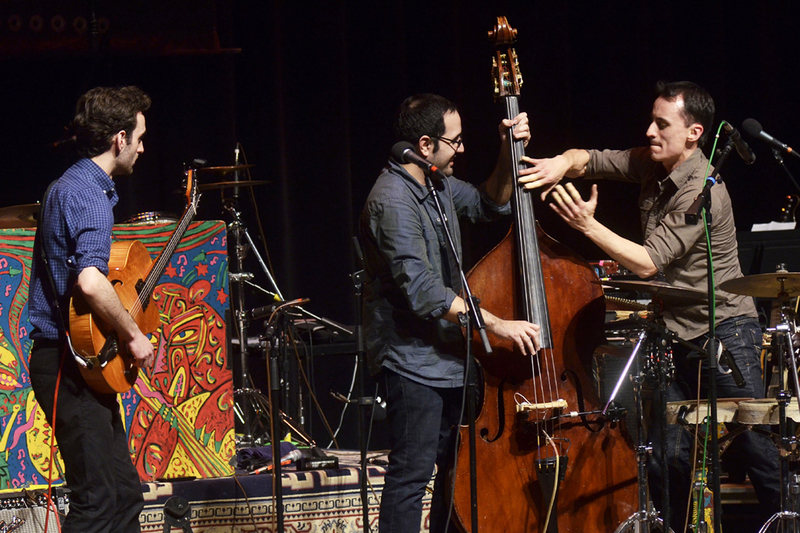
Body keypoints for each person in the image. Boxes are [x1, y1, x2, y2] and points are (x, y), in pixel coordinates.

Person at [519, 81, 780, 531]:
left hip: (725, 331)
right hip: (678, 332)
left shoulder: (702, 189)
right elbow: (593, 158)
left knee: (753, 447)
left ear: (694, 133)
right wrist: (560, 163)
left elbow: (647, 261)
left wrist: (587, 224)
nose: (650, 130)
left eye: (662, 123)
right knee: (669, 455)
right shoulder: (651, 162)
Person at [359, 93, 541, 533]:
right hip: (411, 361)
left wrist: (507, 147)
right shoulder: (393, 201)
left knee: (455, 477)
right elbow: (424, 293)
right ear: (425, 145)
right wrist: (496, 323)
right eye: (454, 142)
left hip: (453, 359)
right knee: (412, 477)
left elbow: (488, 203)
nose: (462, 150)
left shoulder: (436, 183)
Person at [28, 86, 155, 533]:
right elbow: (89, 280)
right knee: (98, 504)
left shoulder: (70, 185)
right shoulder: (89, 194)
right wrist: (134, 335)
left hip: (81, 365)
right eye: (139, 136)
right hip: (67, 364)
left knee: (123, 497)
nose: (143, 147)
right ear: (118, 139)